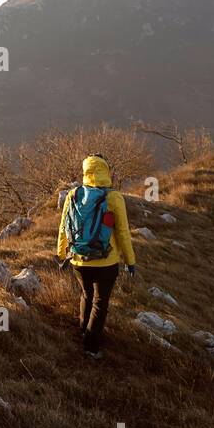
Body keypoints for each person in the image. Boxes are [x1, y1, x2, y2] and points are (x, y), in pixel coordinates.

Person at [57, 154, 136, 359]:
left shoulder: (73, 194)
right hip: (106, 261)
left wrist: (61, 252)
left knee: (86, 295)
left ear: (86, 172)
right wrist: (130, 261)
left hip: (78, 259)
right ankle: (91, 347)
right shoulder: (113, 197)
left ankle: (84, 329)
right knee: (100, 302)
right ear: (105, 171)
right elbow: (122, 233)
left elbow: (63, 227)